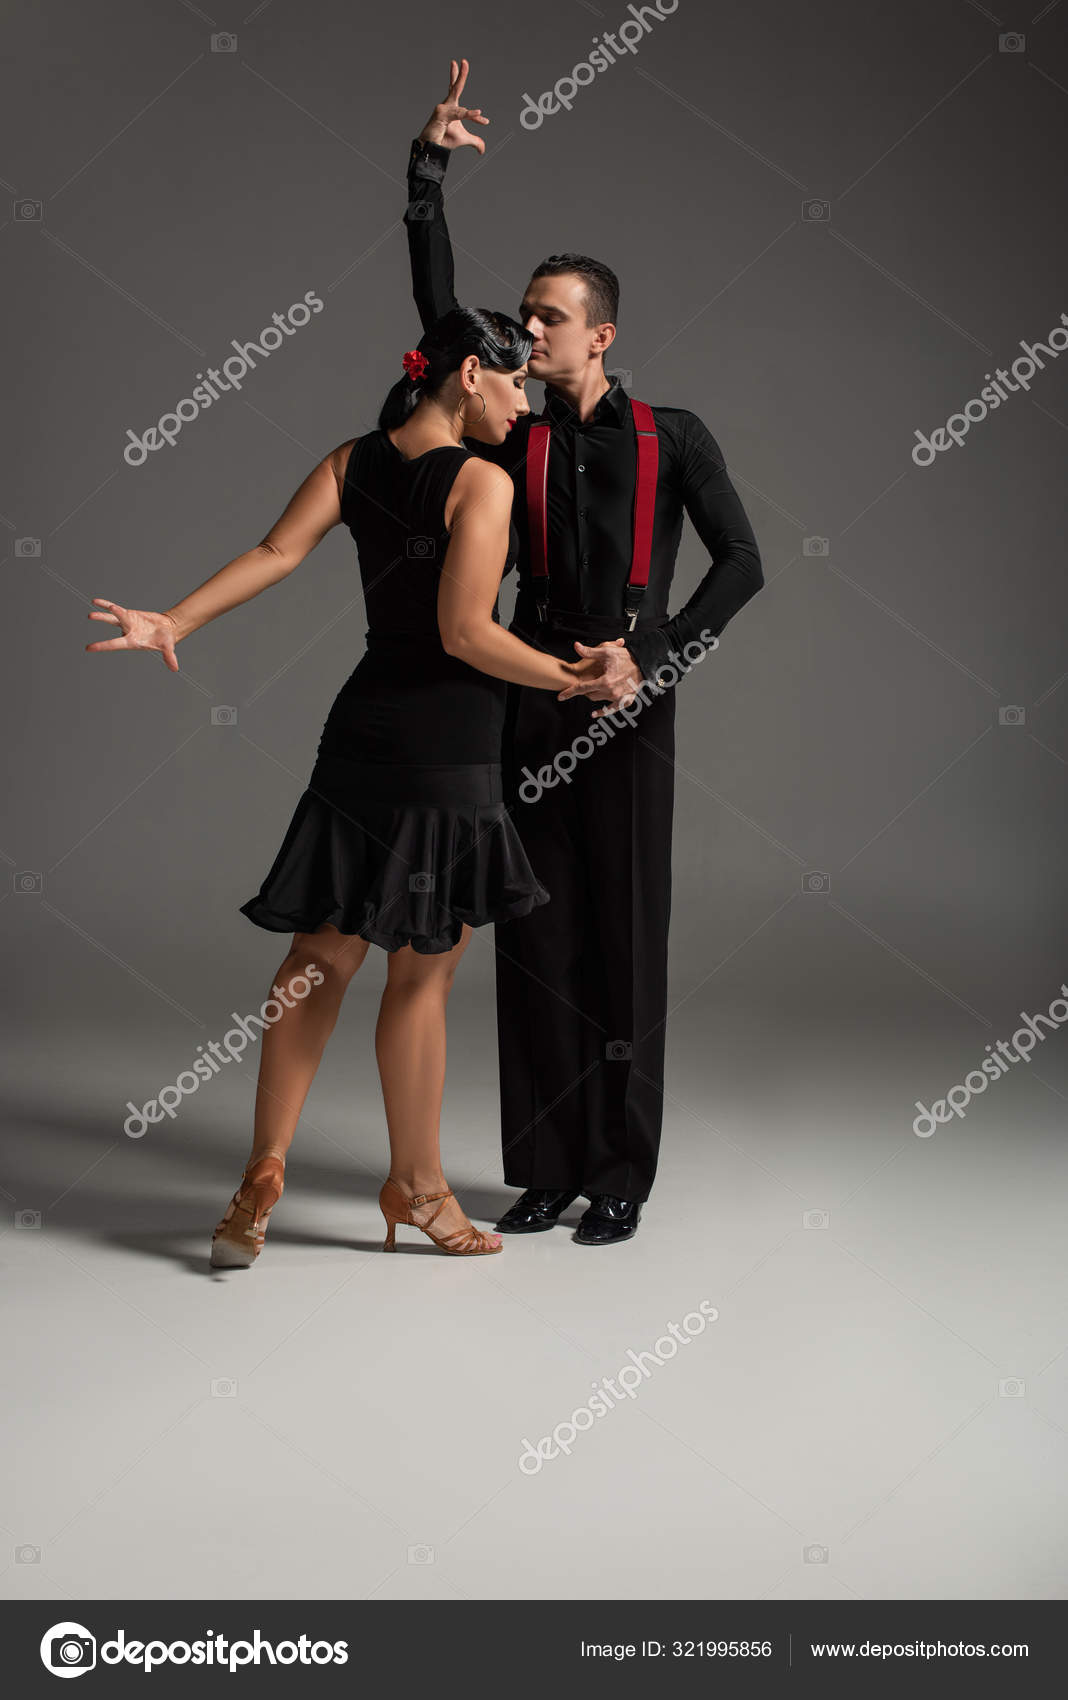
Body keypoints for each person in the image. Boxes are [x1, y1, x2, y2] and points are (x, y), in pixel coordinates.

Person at [85, 305, 630, 1267]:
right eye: (514, 384)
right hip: (449, 745)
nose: (524, 403)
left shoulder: (353, 460)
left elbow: (276, 553)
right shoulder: (480, 482)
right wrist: (573, 677)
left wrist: (174, 619)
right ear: (470, 375)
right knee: (420, 975)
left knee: (315, 961)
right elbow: (465, 634)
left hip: (359, 735)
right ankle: (415, 1186)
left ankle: (262, 1173)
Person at [404, 61, 765, 1245]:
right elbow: (444, 324)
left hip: (634, 697)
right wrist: (427, 174)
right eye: (528, 314)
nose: (530, 328)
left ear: (600, 333)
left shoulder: (676, 433)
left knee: (625, 929)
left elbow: (743, 563)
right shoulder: (512, 439)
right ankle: (547, 1163)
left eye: (549, 315)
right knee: (536, 929)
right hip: (529, 691)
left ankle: (621, 1169)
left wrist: (654, 665)